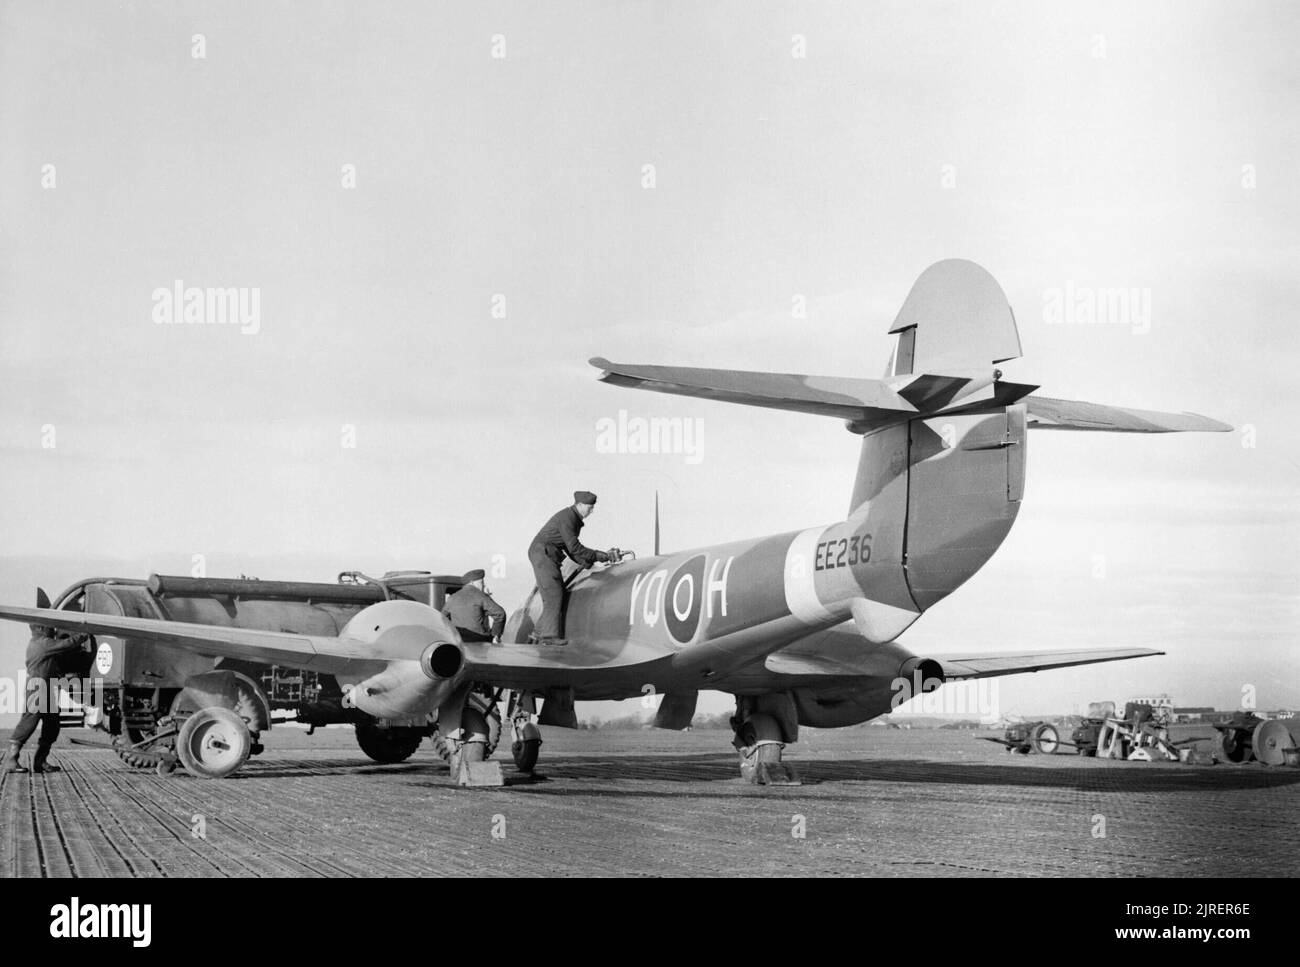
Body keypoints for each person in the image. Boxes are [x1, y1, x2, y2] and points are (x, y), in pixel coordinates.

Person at [2, 622, 91, 774]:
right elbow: (66, 644)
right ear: (41, 628)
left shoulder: (40, 643)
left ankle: (40, 761)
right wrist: (85, 634)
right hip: (37, 686)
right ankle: (11, 759)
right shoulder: (42, 643)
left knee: (52, 724)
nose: (53, 629)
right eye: (50, 626)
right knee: (29, 722)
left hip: (46, 686)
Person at [527, 490, 613, 646]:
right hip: (543, 554)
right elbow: (574, 548)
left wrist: (585, 561)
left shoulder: (572, 518)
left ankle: (537, 634)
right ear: (579, 505)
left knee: (556, 592)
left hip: (546, 554)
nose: (592, 511)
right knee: (554, 593)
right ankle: (549, 638)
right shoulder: (568, 518)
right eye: (590, 507)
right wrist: (599, 555)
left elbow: (570, 549)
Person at [441, 569, 507, 643]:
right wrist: (495, 635)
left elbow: (443, 618)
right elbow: (500, 613)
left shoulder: (452, 598)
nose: (484, 585)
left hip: (459, 642)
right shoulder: (480, 596)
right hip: (479, 642)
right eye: (481, 582)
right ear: (472, 582)